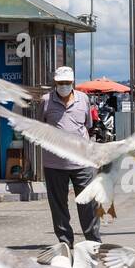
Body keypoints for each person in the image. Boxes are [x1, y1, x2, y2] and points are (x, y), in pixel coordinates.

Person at [41, 66, 100, 247]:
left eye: (67, 83)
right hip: (54, 163)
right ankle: (66, 242)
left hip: (82, 161)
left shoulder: (83, 99)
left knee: (88, 204)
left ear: (72, 82)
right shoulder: (45, 101)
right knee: (58, 206)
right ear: (55, 83)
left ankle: (93, 241)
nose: (64, 86)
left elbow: (87, 125)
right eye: (60, 83)